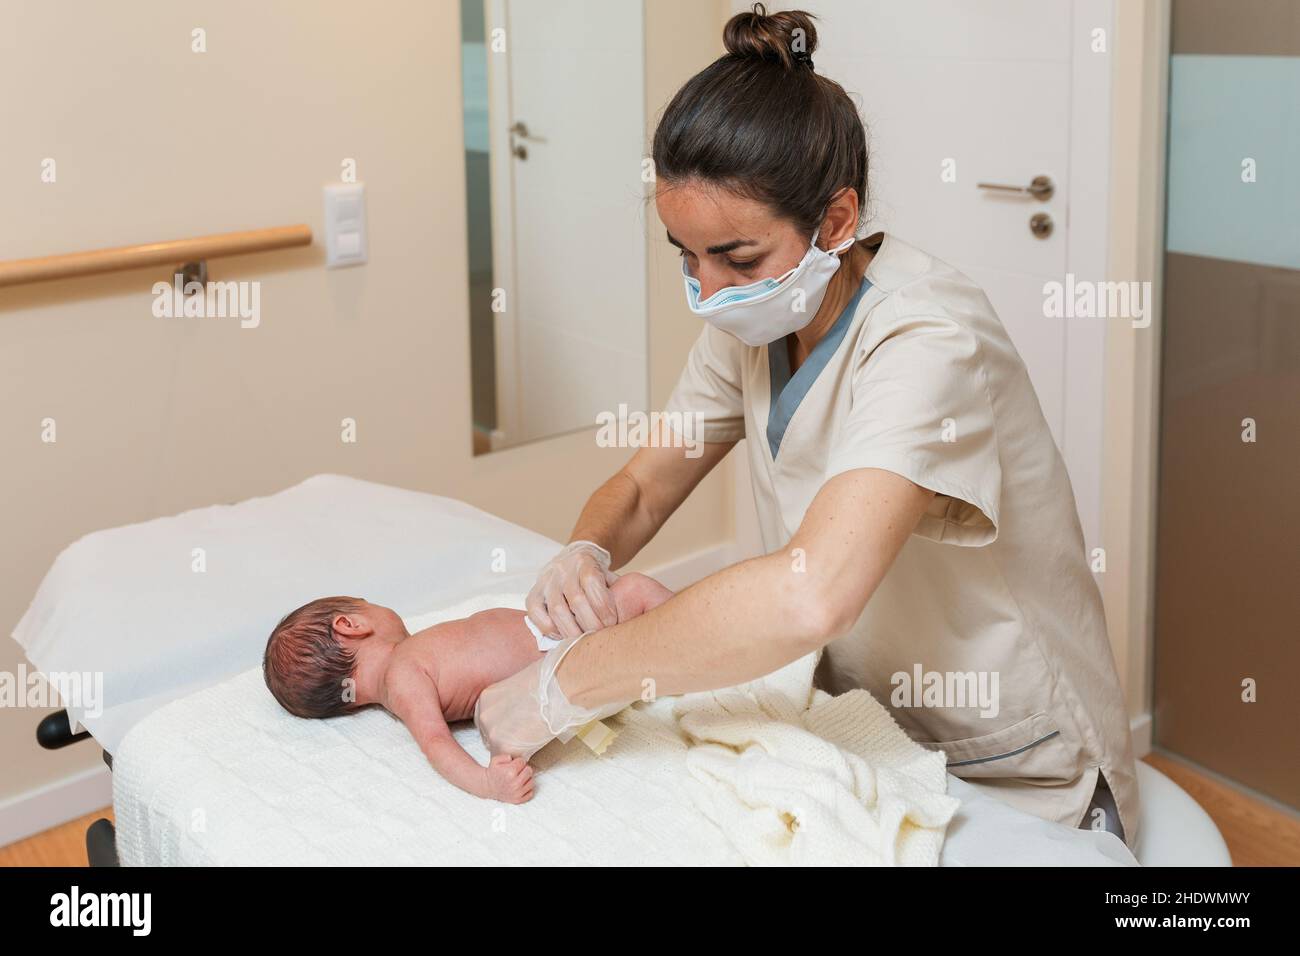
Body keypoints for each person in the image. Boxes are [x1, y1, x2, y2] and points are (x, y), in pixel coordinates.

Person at [475, 4, 1139, 846]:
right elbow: (646, 485)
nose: (707, 290)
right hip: (870, 727)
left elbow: (812, 589)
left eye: (737, 258)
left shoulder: (929, 336)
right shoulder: (756, 324)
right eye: (686, 254)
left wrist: (566, 683)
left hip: (1009, 753)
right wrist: (587, 549)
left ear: (834, 221)